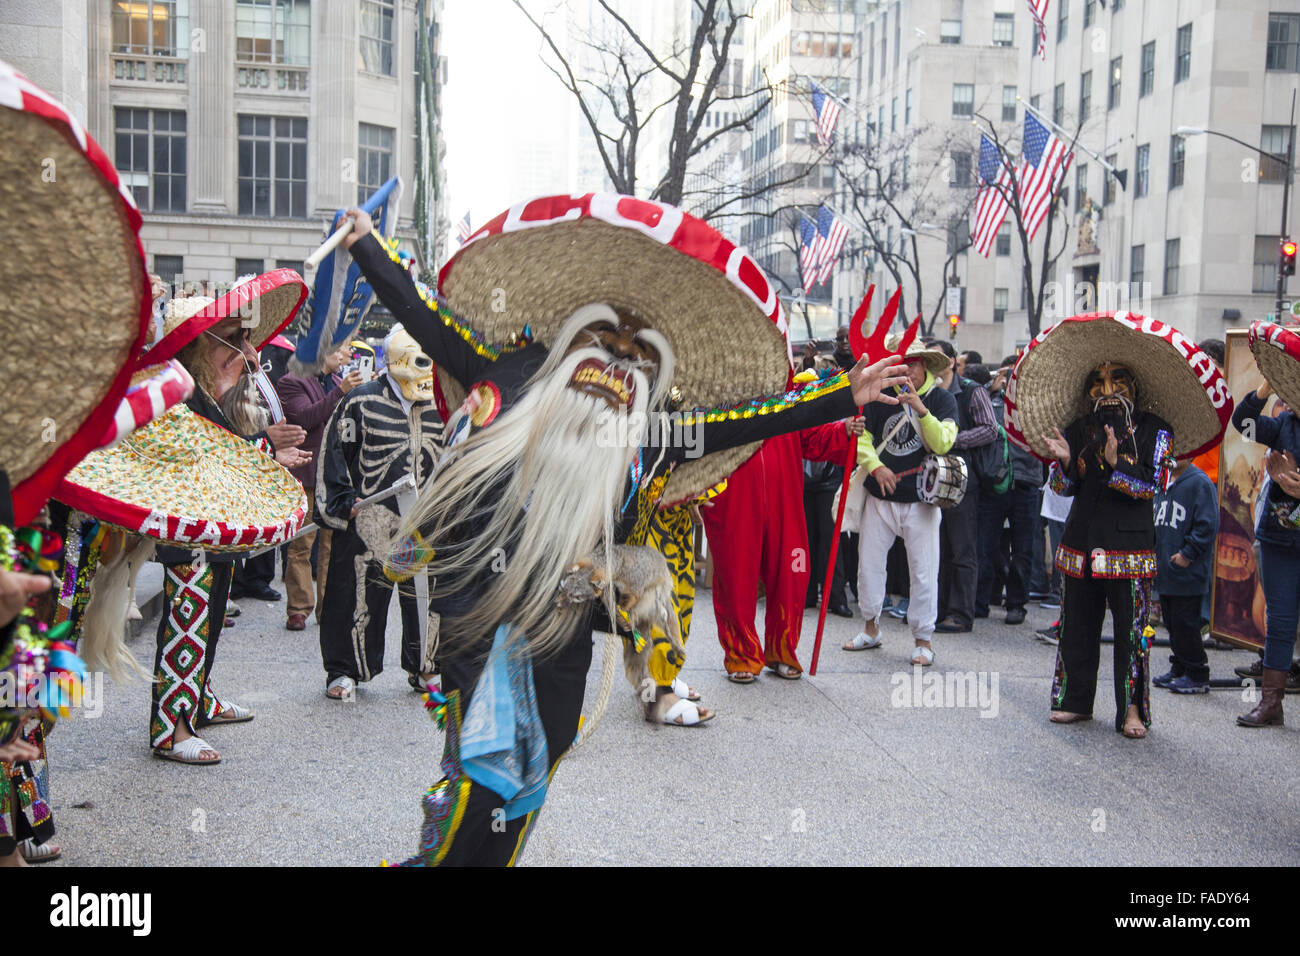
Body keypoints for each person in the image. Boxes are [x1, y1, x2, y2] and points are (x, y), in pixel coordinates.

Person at [341, 196, 908, 865]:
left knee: (539, 758)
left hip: (564, 621)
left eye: (636, 357)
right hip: (480, 611)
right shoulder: (511, 374)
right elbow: (422, 315)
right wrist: (365, 245)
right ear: (573, 341)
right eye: (604, 341)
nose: (616, 360)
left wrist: (843, 394)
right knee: (484, 767)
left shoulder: (647, 434)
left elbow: (751, 420)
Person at [1006, 315, 1228, 739]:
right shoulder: (1078, 427)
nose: (1107, 390)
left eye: (1117, 379)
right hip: (1081, 544)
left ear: (1135, 385)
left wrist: (1115, 464)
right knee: (1076, 628)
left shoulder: (1157, 430)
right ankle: (1074, 701)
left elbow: (1154, 486)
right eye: (1099, 381)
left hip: (1130, 550)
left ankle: (1132, 711)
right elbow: (1061, 486)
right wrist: (1067, 461)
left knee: (1134, 636)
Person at [144, 277, 310, 764]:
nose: (246, 349)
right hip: (189, 533)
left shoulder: (211, 395)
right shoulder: (179, 398)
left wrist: (264, 446)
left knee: (211, 619)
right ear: (201, 346)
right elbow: (211, 458)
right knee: (186, 622)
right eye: (234, 339)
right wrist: (267, 452)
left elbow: (233, 444)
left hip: (216, 532)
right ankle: (170, 728)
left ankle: (198, 700)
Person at [316, 326, 445, 699]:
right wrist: (342, 505)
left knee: (428, 597)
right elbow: (335, 452)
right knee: (354, 594)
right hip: (370, 518)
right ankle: (344, 669)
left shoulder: (440, 405)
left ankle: (426, 666)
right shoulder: (360, 401)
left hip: (425, 519)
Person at [706, 419, 860, 683]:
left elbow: (811, 436)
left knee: (792, 573)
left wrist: (842, 430)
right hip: (735, 495)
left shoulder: (792, 390)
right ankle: (742, 654)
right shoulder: (725, 384)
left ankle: (782, 650)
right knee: (735, 575)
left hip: (785, 496)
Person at [841, 336, 957, 667]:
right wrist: (876, 467)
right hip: (880, 496)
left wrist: (922, 412)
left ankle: (923, 639)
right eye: (903, 363)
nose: (909, 370)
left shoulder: (942, 399)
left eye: (915, 363)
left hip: (922, 499)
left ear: (925, 366)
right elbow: (863, 437)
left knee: (923, 569)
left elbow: (943, 443)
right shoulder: (880, 396)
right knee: (870, 564)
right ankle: (871, 627)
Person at [276, 343, 363, 630]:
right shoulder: (291, 382)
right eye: (338, 350)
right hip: (307, 472)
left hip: (335, 476)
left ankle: (327, 609)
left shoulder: (339, 382)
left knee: (329, 546)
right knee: (301, 545)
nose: (344, 355)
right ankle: (298, 609)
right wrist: (340, 393)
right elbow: (307, 419)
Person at [1231, 370, 1300, 728]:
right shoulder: (1286, 423)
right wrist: (1268, 385)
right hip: (1279, 538)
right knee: (1281, 620)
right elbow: (1243, 422)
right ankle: (1271, 703)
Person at [933, 341, 997, 634]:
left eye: (935, 357)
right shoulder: (929, 391)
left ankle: (960, 613)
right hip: (932, 477)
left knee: (962, 547)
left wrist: (953, 440)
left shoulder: (972, 390)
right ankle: (938, 608)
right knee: (937, 547)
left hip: (962, 477)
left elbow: (989, 429)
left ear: (950, 361)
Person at [979, 359, 1043, 625]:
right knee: (987, 544)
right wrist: (991, 389)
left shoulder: (1037, 402)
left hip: (1026, 480)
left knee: (1023, 547)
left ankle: (1017, 603)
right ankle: (980, 600)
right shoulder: (991, 399)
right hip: (995, 481)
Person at [1152, 457, 1219, 693]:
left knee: (1186, 623)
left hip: (1187, 572)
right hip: (1166, 571)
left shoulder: (1200, 483)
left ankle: (1197, 672)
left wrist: (1188, 553)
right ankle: (1179, 666)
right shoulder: (1162, 481)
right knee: (1172, 623)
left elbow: (1208, 525)